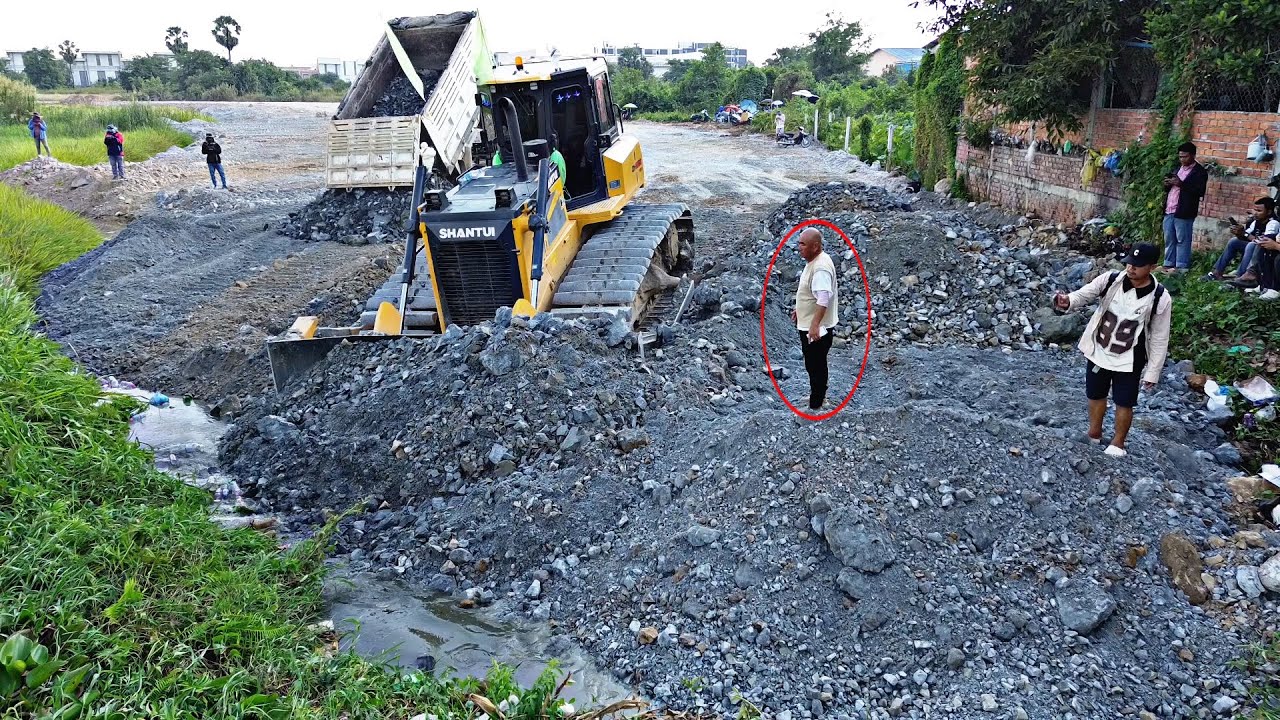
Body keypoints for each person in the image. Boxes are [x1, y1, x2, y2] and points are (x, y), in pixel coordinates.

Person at [1053, 243, 1172, 457]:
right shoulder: (1110, 280)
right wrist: (1067, 300)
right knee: (1095, 394)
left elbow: (1160, 337)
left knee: (1124, 400)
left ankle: (1118, 442)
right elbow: (1084, 294)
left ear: (1152, 267)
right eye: (1129, 263)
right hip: (1100, 348)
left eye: (1138, 265)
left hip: (1130, 356)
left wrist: (1153, 372)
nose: (1131, 268)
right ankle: (1094, 432)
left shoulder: (1160, 297)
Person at [790, 228, 839, 412]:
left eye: (803, 244)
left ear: (815, 246)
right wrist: (800, 310)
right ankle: (817, 395)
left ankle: (816, 403)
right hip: (813, 324)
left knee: (816, 364)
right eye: (799, 243)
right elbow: (812, 293)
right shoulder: (815, 261)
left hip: (817, 329)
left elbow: (823, 298)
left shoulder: (820, 268)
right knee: (815, 364)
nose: (798, 247)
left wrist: (814, 325)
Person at [1157, 142, 1208, 273]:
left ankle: (1181, 268)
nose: (1182, 159)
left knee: (1182, 240)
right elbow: (1169, 188)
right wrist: (1167, 184)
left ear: (1193, 155)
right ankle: (1168, 264)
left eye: (1185, 157)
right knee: (1169, 238)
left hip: (1184, 211)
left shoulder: (1199, 172)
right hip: (1170, 209)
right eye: (1180, 157)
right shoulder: (1176, 169)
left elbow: (1199, 191)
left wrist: (1181, 184)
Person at [1208, 197, 1280, 283]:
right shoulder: (1256, 221)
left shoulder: (1273, 223)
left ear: (1269, 212)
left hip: (1267, 253)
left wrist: (1244, 234)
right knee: (1234, 241)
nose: (1255, 213)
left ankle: (1240, 278)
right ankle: (1217, 272)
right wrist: (1239, 233)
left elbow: (1264, 242)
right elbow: (1246, 237)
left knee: (1251, 245)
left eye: (1259, 211)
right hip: (1255, 249)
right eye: (1255, 210)